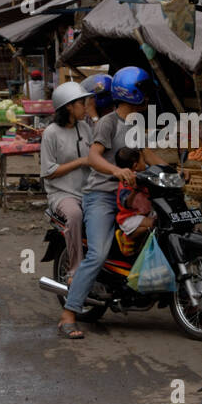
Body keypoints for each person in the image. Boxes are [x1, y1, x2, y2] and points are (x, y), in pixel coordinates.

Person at [57, 67, 163, 339]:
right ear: (131, 92)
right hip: (102, 195)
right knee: (98, 253)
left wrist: (174, 171)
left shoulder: (138, 124)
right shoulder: (109, 122)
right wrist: (116, 172)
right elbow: (94, 157)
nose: (148, 97)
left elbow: (148, 155)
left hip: (131, 195)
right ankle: (69, 314)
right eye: (144, 91)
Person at [40, 80, 94, 278]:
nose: (85, 107)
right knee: (75, 215)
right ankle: (75, 269)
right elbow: (49, 170)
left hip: (88, 190)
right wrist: (80, 161)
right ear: (69, 106)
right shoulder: (51, 133)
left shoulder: (85, 128)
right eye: (82, 103)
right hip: (62, 194)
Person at [113, 147, 154, 255]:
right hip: (129, 217)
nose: (145, 164)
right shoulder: (126, 183)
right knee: (154, 224)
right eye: (143, 161)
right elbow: (127, 204)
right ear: (135, 166)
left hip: (144, 213)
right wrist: (135, 190)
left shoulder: (145, 173)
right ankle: (126, 237)